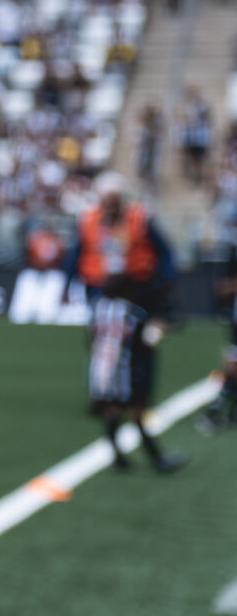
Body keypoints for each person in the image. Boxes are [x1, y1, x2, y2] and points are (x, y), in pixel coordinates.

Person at [79, 174, 190, 473]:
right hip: (123, 319)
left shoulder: (138, 220)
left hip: (127, 297)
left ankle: (118, 453)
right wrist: (163, 322)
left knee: (112, 391)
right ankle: (152, 457)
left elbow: (161, 254)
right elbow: (150, 334)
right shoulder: (91, 222)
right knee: (134, 399)